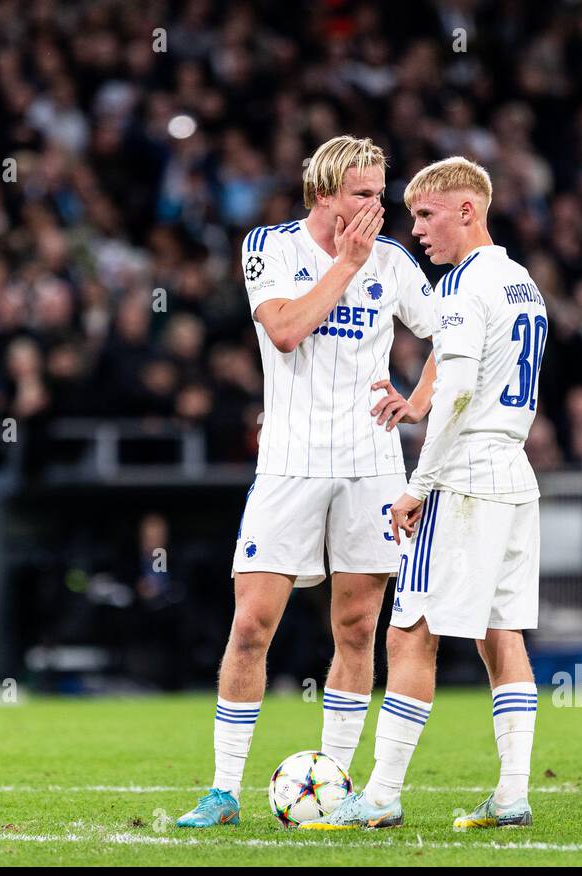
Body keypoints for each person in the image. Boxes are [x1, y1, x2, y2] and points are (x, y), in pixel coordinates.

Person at [176, 135, 438, 827]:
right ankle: (224, 790)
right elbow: (287, 330)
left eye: (380, 195)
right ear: (323, 194)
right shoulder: (270, 245)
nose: (374, 208)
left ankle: (339, 787)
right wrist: (347, 265)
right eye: (360, 194)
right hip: (289, 465)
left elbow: (454, 334)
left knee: (356, 630)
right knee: (252, 624)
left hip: (372, 466)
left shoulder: (394, 262)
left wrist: (418, 399)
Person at [304, 156, 546, 831]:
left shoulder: (467, 284)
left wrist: (417, 486)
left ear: (468, 210)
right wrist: (417, 399)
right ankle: (512, 794)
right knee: (502, 634)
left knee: (410, 631)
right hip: (514, 473)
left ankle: (378, 796)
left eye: (427, 214)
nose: (416, 230)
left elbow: (463, 391)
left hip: (465, 475)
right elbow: (467, 368)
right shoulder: (520, 280)